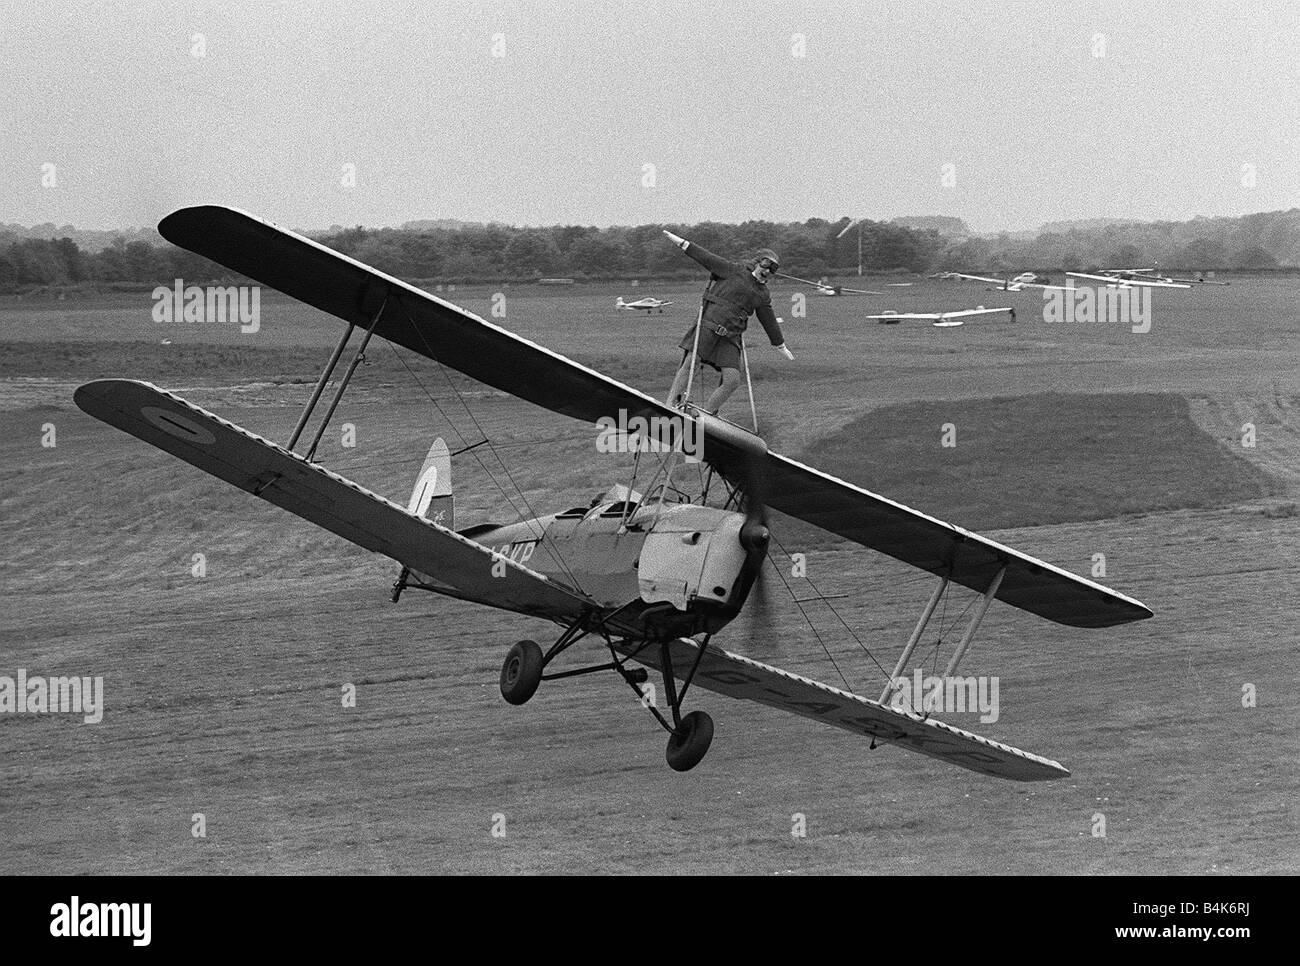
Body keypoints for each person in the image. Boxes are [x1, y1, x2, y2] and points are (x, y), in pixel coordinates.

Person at [662, 230, 794, 414]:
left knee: (732, 380)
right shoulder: (732, 270)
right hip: (708, 326)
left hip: (730, 337)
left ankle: (707, 415)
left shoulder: (763, 294)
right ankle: (669, 405)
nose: (767, 271)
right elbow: (706, 257)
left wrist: (780, 345)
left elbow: (768, 319)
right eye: (765, 266)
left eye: (772, 270)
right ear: (756, 263)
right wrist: (682, 243)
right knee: (692, 361)